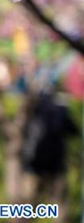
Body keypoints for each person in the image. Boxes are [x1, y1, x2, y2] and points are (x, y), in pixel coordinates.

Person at [20, 89, 78, 220]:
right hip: (56, 167)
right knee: (59, 209)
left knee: (27, 209)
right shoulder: (61, 111)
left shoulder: (32, 109)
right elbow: (74, 131)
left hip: (33, 166)